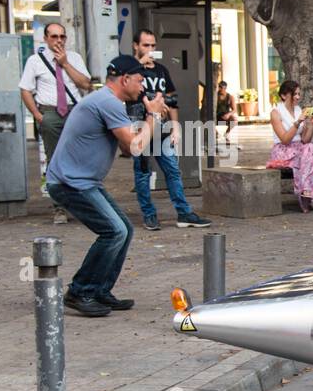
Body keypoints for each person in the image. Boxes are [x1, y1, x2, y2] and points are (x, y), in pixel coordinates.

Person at [46, 55, 165, 317]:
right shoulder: (108, 102)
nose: (142, 86)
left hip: (83, 181)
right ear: (124, 79)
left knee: (124, 229)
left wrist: (147, 118)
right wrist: (153, 115)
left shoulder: (107, 101)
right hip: (69, 183)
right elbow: (134, 147)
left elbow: (128, 144)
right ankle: (80, 291)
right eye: (138, 79)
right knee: (114, 232)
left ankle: (99, 290)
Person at [128, 28, 211, 230]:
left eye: (153, 45)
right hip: (140, 127)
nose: (150, 49)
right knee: (143, 173)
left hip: (162, 128)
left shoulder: (161, 70)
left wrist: (175, 127)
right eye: (146, 45)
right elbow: (125, 89)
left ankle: (184, 213)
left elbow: (172, 100)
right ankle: (149, 214)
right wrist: (139, 65)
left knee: (173, 170)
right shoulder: (130, 69)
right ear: (136, 46)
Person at [19, 21, 91, 225]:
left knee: (79, 159)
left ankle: (80, 204)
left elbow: (85, 84)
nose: (59, 40)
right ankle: (59, 208)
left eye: (62, 36)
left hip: (74, 111)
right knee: (55, 161)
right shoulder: (35, 61)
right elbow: (25, 89)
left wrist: (65, 63)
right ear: (46, 39)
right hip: (50, 112)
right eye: (54, 36)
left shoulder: (74, 58)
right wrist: (37, 114)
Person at [268, 80, 313, 211]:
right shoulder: (276, 112)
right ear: (284, 95)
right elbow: (284, 139)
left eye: (299, 94)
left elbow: (305, 140)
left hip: (300, 149)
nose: (298, 97)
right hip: (283, 151)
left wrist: (311, 123)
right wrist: (298, 121)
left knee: (310, 147)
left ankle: (307, 192)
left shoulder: (298, 109)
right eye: (294, 94)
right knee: (310, 153)